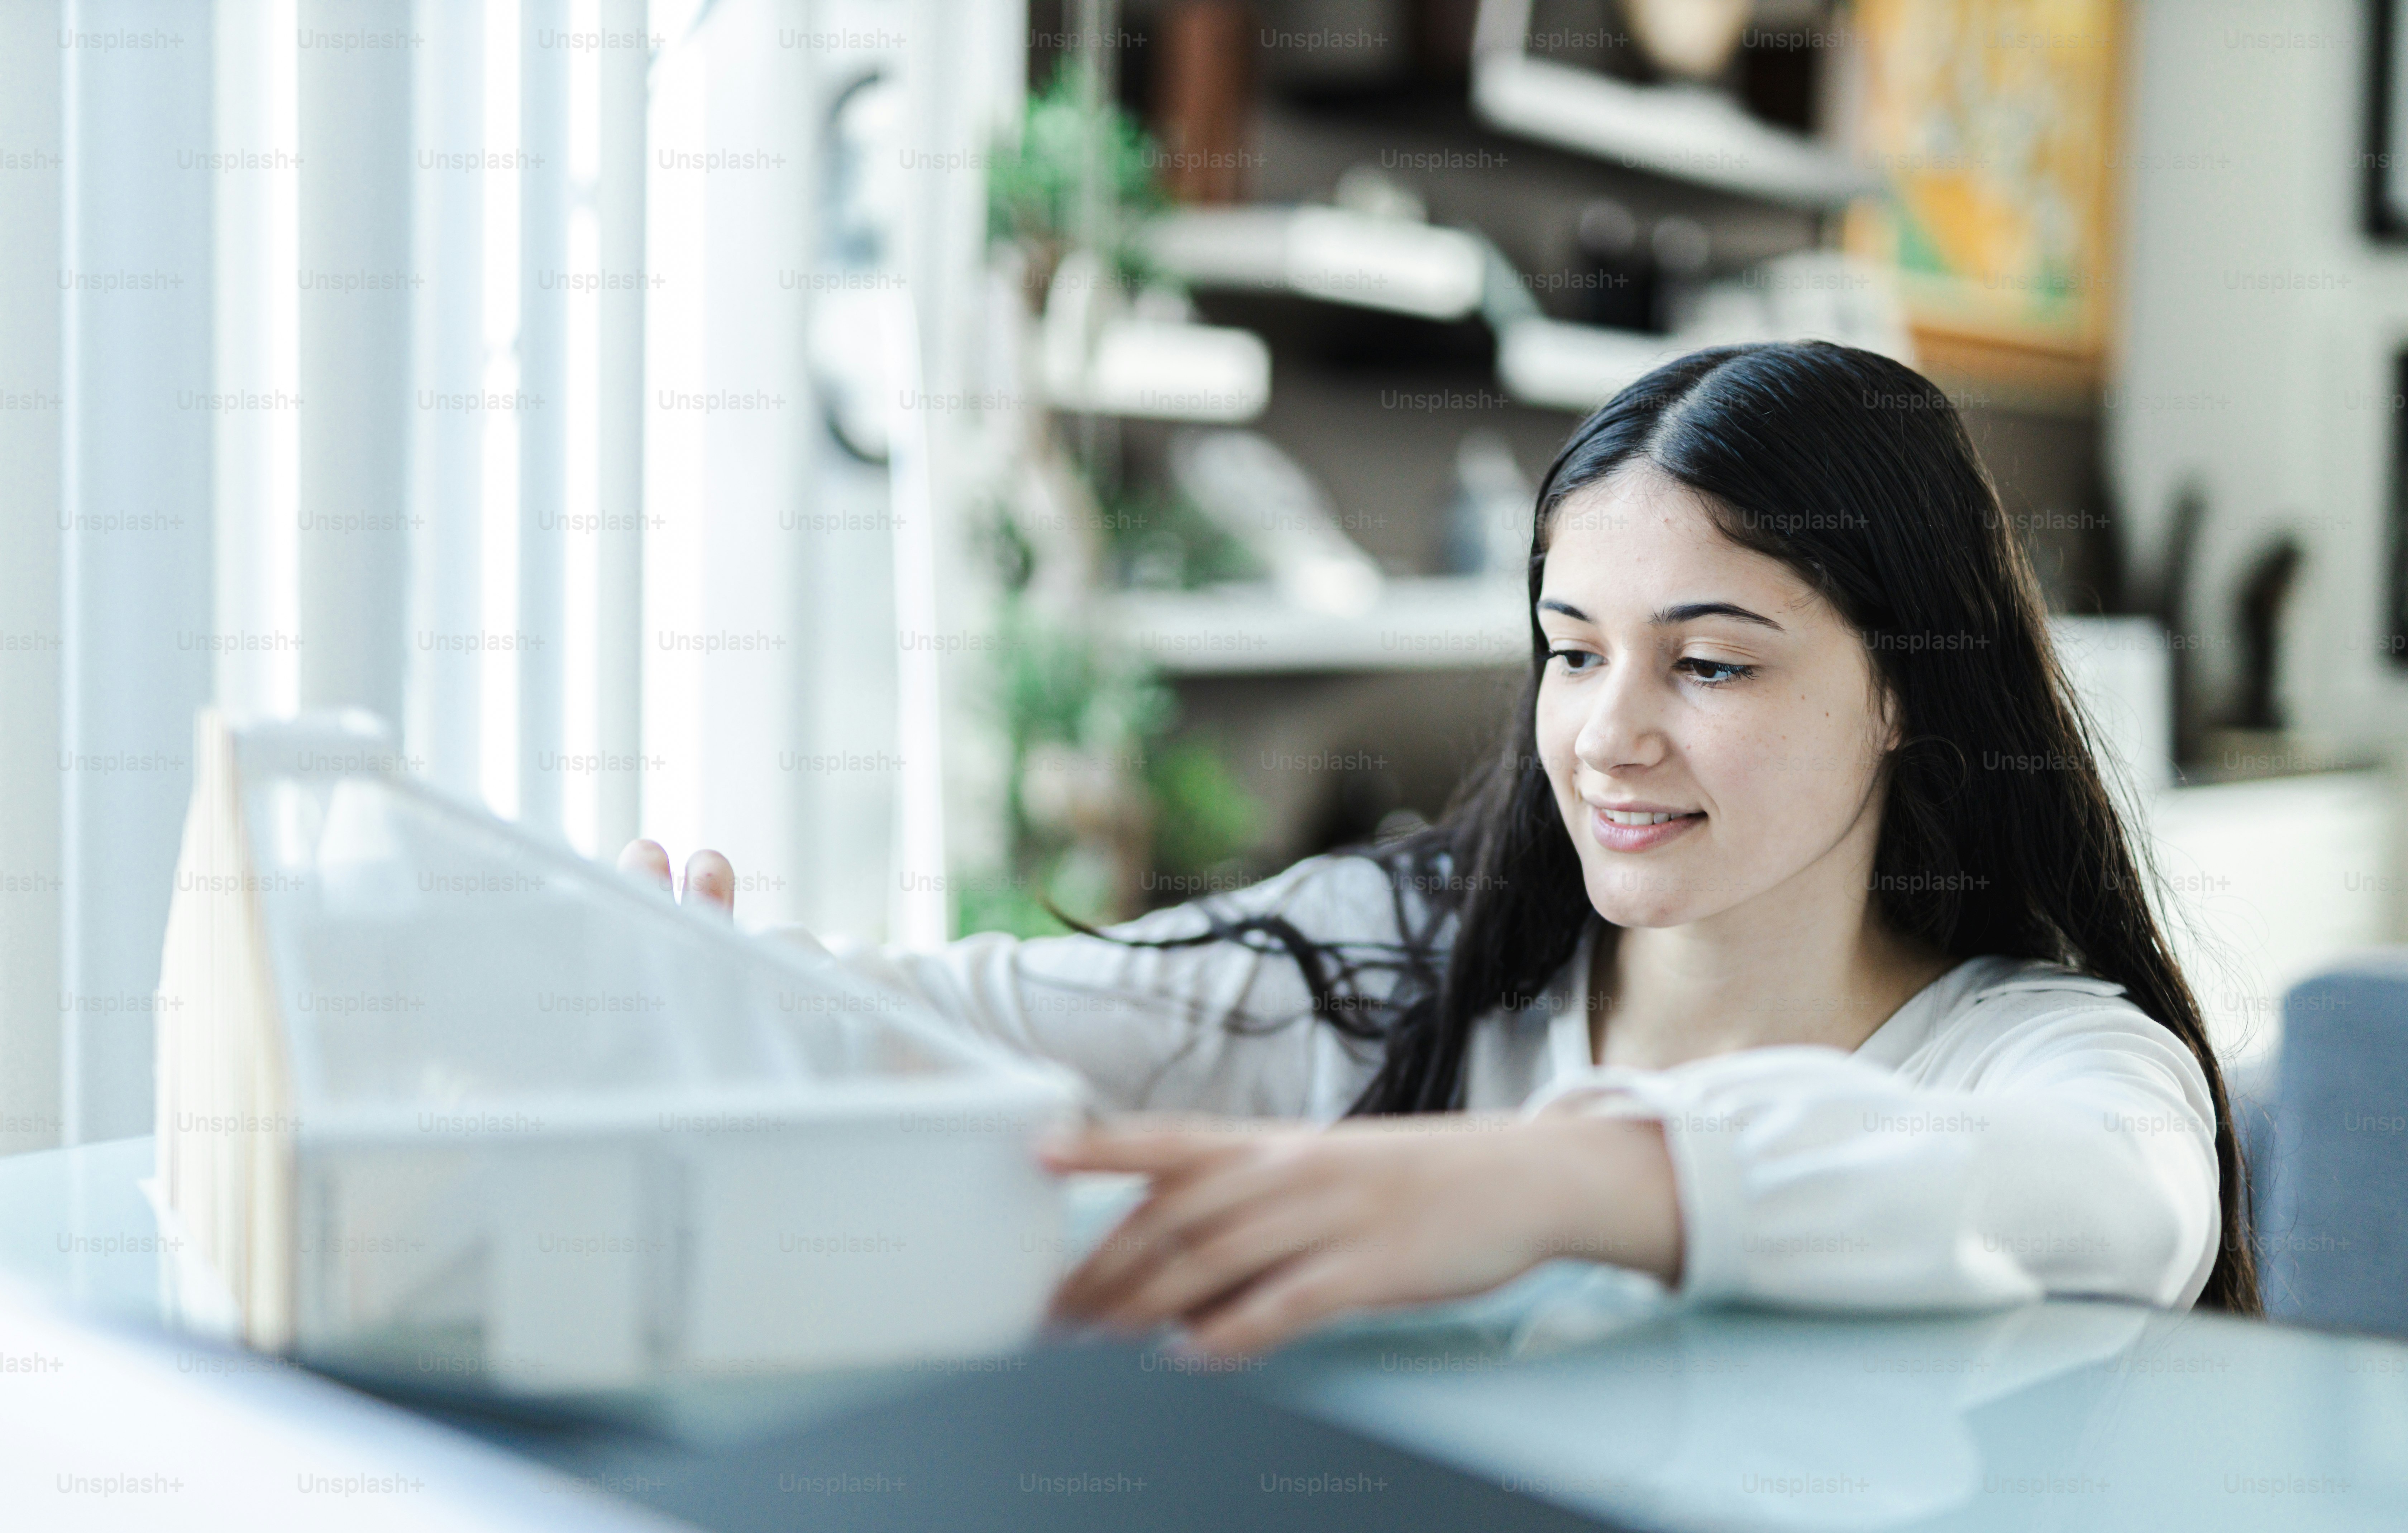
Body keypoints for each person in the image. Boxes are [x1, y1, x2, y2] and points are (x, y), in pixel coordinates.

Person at [622, 340, 2256, 1360]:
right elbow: (966, 1020)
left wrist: (1570, 1178)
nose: (1608, 734)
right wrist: (717, 987)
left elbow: (2107, 1207)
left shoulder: (2043, 1052)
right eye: (1570, 649)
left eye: (1709, 662)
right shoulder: (1393, 950)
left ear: (1907, 686)